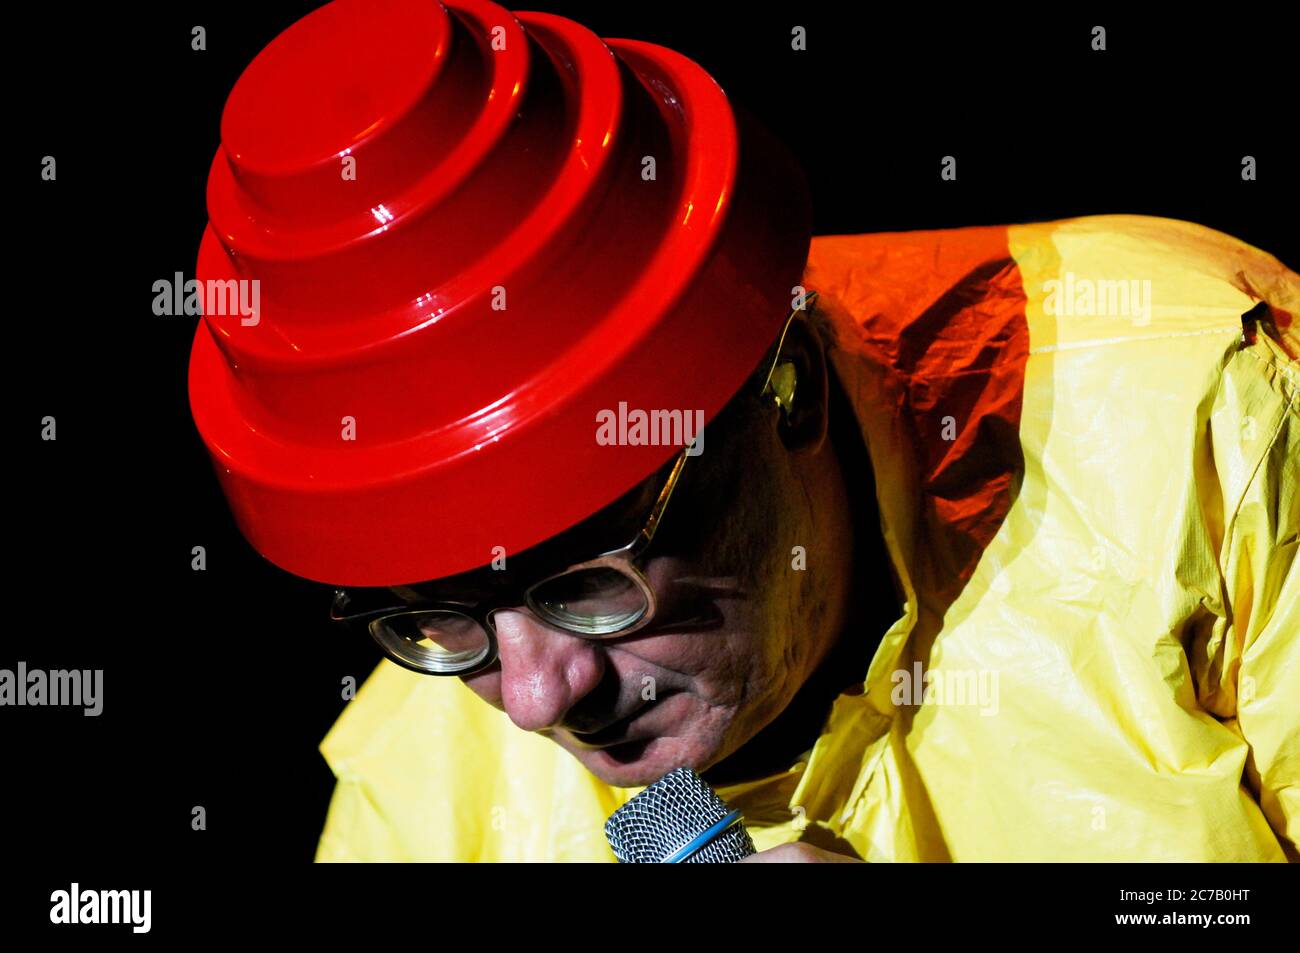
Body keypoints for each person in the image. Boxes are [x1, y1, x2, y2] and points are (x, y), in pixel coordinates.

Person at [188, 0, 1299, 861]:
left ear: (791, 392)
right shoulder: (422, 794)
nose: (533, 702)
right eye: (439, 619)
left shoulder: (1200, 417)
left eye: (586, 579)